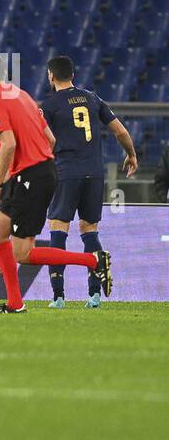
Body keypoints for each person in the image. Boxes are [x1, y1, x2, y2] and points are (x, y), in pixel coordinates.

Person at [0, 57, 110, 314]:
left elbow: (9, 144)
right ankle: (15, 303)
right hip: (34, 172)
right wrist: (36, 164)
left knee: (23, 253)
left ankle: (92, 260)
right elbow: (49, 138)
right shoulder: (21, 94)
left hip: (30, 176)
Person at [37, 55, 137, 308]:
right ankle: (94, 295)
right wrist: (131, 154)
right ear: (73, 74)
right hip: (94, 173)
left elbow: (44, 141)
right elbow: (121, 131)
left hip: (66, 173)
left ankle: (58, 296)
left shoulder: (48, 106)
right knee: (89, 230)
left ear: (51, 75)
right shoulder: (93, 98)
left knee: (58, 229)